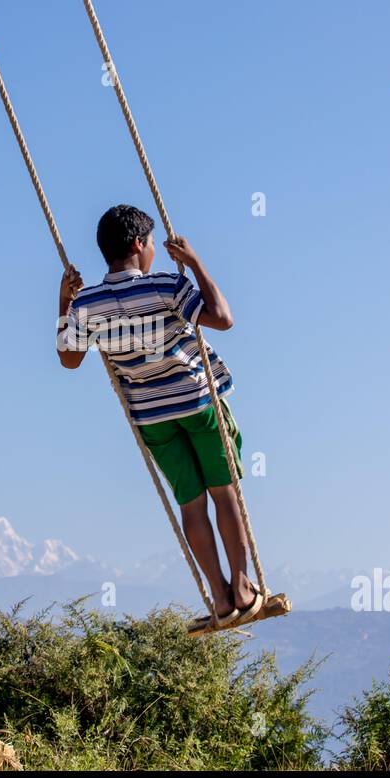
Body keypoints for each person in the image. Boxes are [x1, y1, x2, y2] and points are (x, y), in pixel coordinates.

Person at [56, 204, 260, 627]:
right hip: (198, 404)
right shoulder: (167, 285)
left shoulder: (89, 304)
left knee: (191, 504)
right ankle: (242, 585)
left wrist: (65, 301)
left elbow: (69, 359)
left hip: (153, 418)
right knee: (225, 493)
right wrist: (195, 263)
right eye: (151, 243)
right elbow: (222, 318)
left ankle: (220, 598)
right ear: (139, 244)